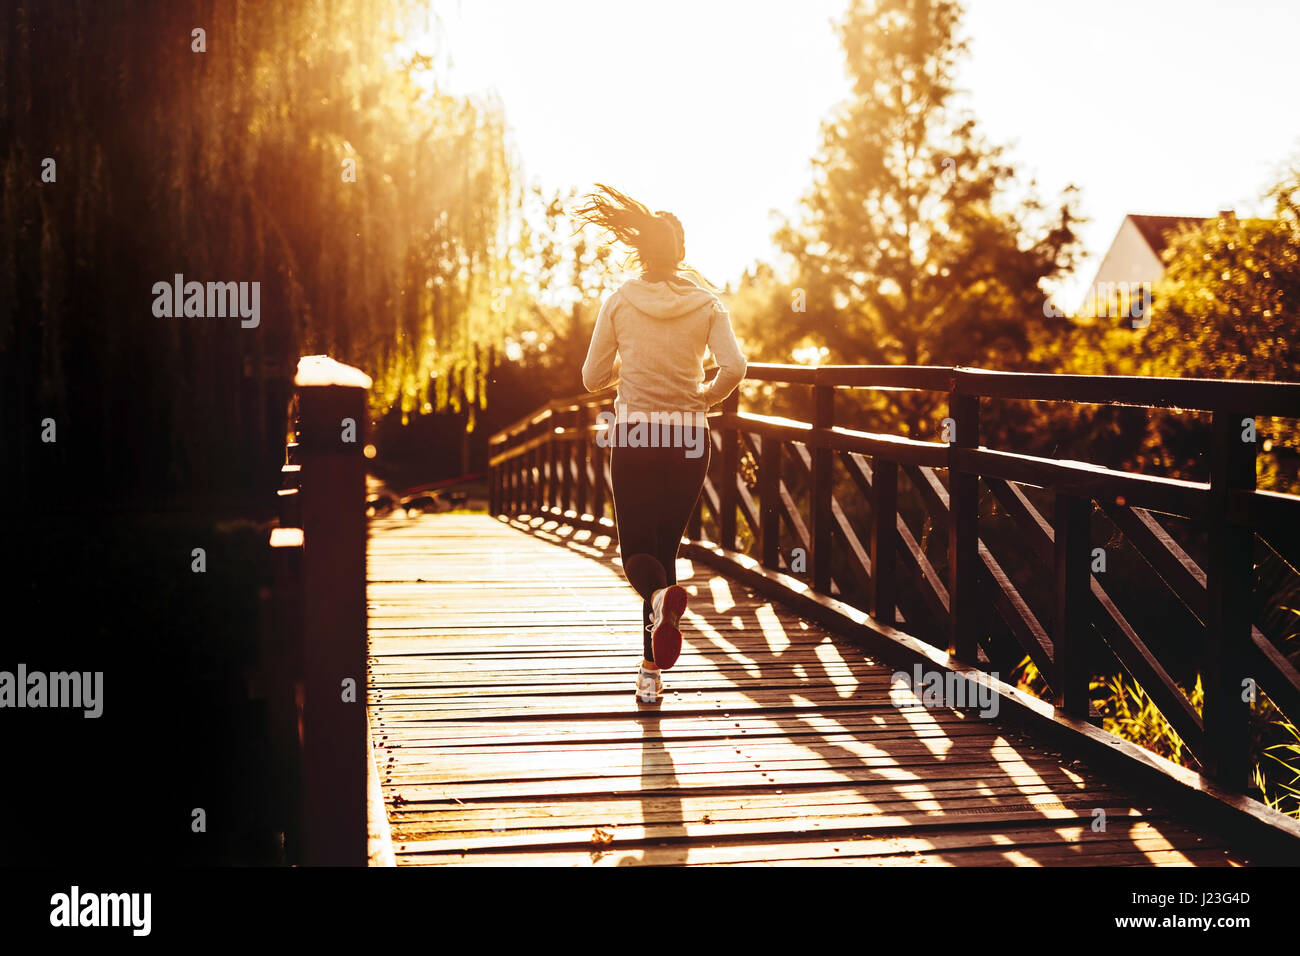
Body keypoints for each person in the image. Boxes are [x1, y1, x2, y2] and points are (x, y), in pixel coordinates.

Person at [575, 184, 747, 703]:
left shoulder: (620, 301)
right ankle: (650, 677)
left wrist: (627, 379)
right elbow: (735, 368)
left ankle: (655, 645)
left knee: (637, 555)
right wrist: (702, 399)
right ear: (682, 253)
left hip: (635, 435)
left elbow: (590, 377)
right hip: (690, 440)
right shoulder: (707, 304)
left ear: (641, 252)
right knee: (664, 555)